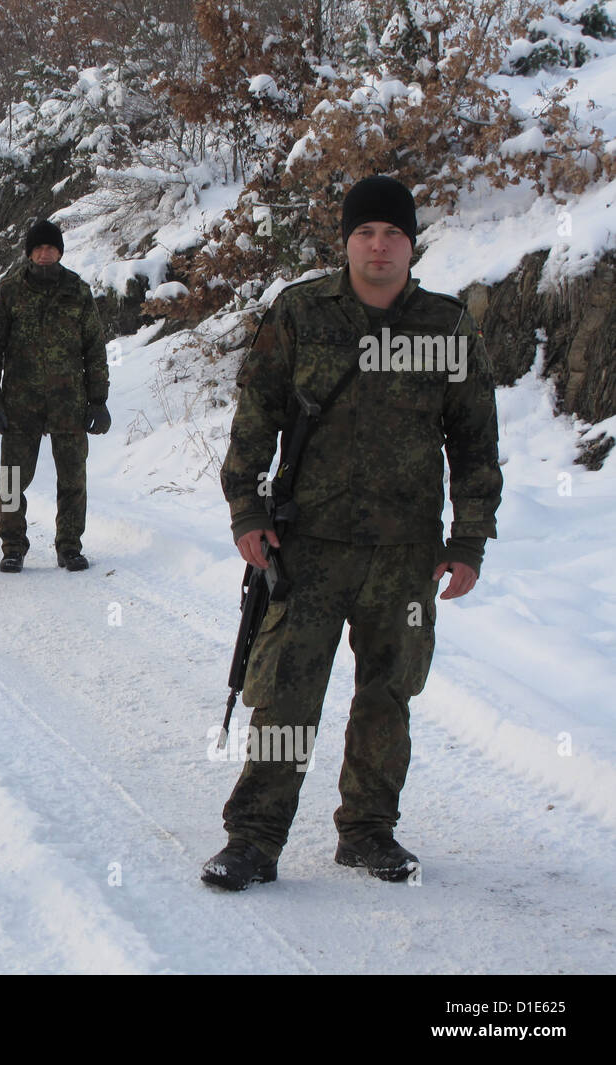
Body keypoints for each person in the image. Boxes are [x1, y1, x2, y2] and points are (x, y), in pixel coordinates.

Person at [201, 175, 503, 890]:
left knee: (387, 695)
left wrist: (468, 541)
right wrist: (245, 511)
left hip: (405, 556)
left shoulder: (446, 327)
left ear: (410, 244)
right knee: (286, 694)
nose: (378, 246)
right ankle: (253, 838)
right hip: (307, 548)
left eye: (392, 234)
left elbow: (476, 441)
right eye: (365, 232)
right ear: (347, 241)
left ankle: (368, 831)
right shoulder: (302, 312)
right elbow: (256, 416)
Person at [0, 219, 110, 572]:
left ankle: (69, 546)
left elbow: (94, 349)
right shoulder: (8, 292)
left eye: (51, 248)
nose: (45, 253)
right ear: (30, 253)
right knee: (12, 479)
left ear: (60, 251)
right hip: (20, 403)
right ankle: (13, 546)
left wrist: (98, 400)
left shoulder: (77, 290)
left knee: (72, 478)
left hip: (69, 403)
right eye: (39, 248)